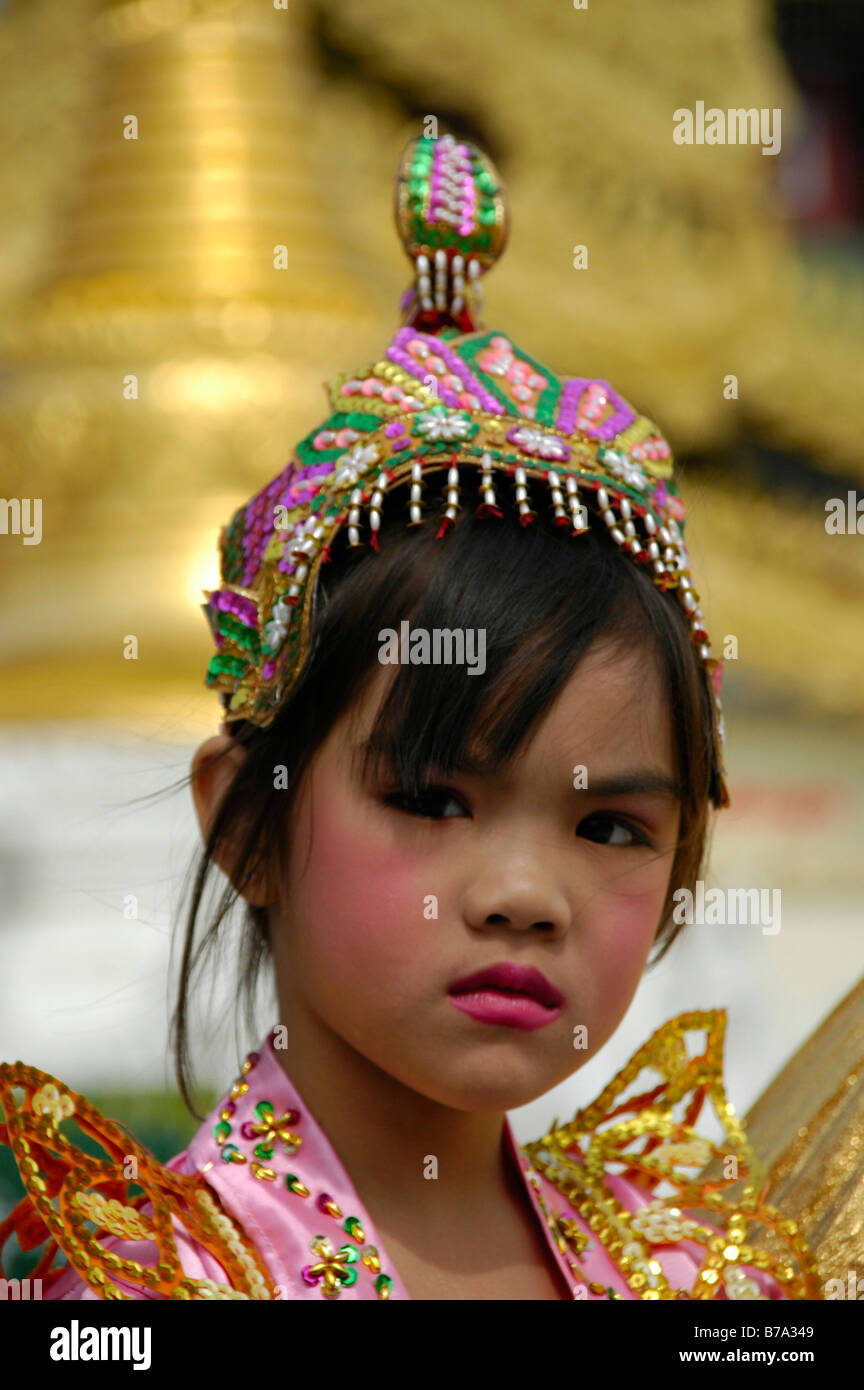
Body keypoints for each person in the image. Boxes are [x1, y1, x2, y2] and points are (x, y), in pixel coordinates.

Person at [0, 132, 820, 1301]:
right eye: (432, 799)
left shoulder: (697, 1276)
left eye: (611, 829)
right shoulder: (146, 1290)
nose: (524, 896)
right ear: (245, 820)